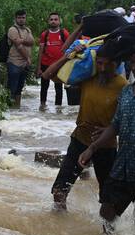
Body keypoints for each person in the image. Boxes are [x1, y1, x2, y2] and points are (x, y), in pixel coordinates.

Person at [78, 43, 135, 235]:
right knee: (107, 212)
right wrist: (92, 148)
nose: (134, 67)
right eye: (132, 62)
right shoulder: (127, 91)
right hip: (122, 167)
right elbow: (115, 125)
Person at [51, 53, 126, 210]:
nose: (103, 68)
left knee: (108, 199)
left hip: (105, 145)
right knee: (59, 191)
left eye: (108, 64)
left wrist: (112, 130)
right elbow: (49, 75)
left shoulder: (123, 86)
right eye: (99, 63)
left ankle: (107, 234)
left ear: (118, 64)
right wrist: (67, 56)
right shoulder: (87, 78)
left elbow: (128, 119)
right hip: (80, 139)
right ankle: (60, 228)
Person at [36, 12, 68, 111]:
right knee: (44, 87)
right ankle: (42, 107)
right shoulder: (44, 34)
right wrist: (38, 68)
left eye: (55, 19)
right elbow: (40, 51)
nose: (53, 21)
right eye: (51, 19)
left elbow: (69, 49)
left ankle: (58, 109)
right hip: (45, 64)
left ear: (59, 21)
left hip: (59, 65)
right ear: (48, 21)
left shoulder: (64, 33)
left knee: (59, 88)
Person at [5, 9, 33, 107]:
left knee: (19, 89)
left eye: (23, 18)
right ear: (15, 18)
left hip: (24, 64)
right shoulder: (12, 29)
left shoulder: (27, 30)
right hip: (14, 62)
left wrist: (21, 40)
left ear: (25, 18)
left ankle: (17, 111)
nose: (21, 20)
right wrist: (28, 58)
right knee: (12, 88)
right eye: (19, 18)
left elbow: (32, 42)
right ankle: (9, 109)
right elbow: (19, 46)